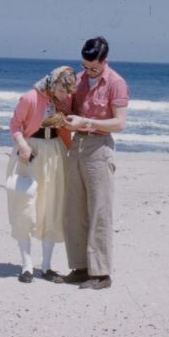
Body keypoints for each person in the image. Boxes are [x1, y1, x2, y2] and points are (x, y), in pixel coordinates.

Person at [56, 36, 129, 290]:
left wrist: (86, 123)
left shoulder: (117, 83)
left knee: (99, 211)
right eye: (85, 66)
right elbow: (68, 111)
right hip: (77, 147)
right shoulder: (77, 80)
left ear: (104, 61)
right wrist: (63, 117)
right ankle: (80, 268)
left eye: (94, 68)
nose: (88, 72)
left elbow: (119, 123)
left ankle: (101, 274)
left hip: (100, 148)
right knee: (73, 210)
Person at [7, 65, 77, 283]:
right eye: (64, 90)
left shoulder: (61, 101)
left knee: (51, 208)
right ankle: (26, 266)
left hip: (54, 152)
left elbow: (65, 130)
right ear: (54, 83)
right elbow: (15, 125)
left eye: (69, 92)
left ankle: (46, 266)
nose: (66, 96)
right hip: (30, 153)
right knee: (25, 207)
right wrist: (22, 146)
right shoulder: (30, 98)